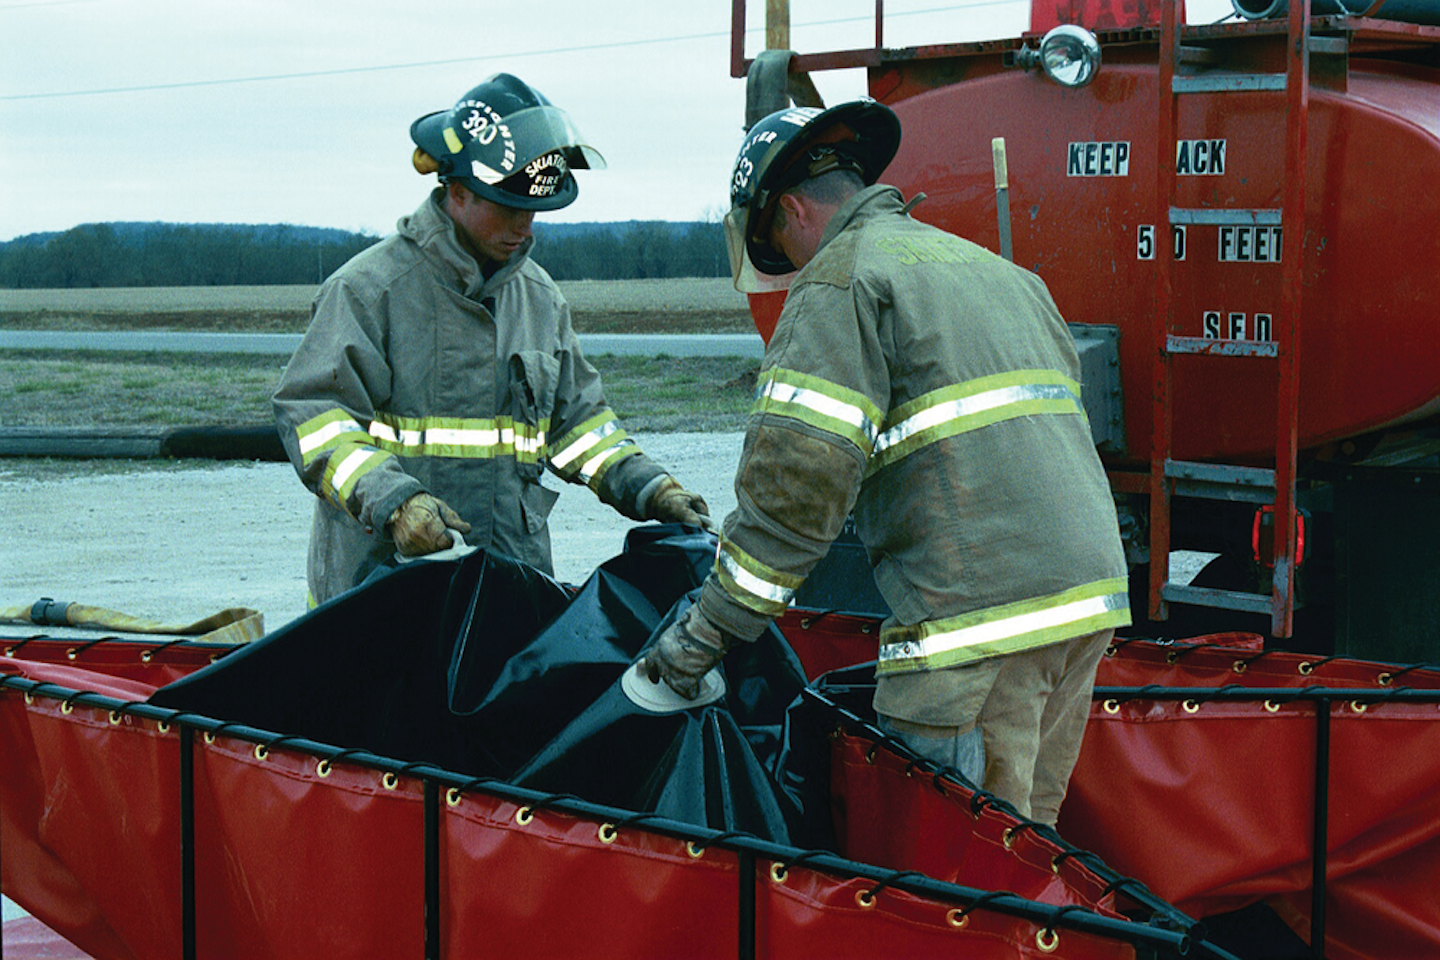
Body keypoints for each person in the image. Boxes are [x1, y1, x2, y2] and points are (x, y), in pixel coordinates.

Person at [639, 100, 1130, 826]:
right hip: (1086, 609)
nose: (790, 265)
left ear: (795, 211)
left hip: (977, 632)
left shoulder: (840, 284)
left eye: (777, 240)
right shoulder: (1001, 274)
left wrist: (700, 639)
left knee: (946, 872)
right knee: (1027, 853)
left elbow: (793, 499)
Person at [273, 73, 713, 606]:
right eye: (509, 207)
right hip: (384, 591)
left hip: (510, 592)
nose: (526, 226)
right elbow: (317, 418)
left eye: (534, 209)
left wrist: (648, 487)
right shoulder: (368, 291)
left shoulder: (539, 300)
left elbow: (579, 427)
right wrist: (394, 503)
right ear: (457, 191)